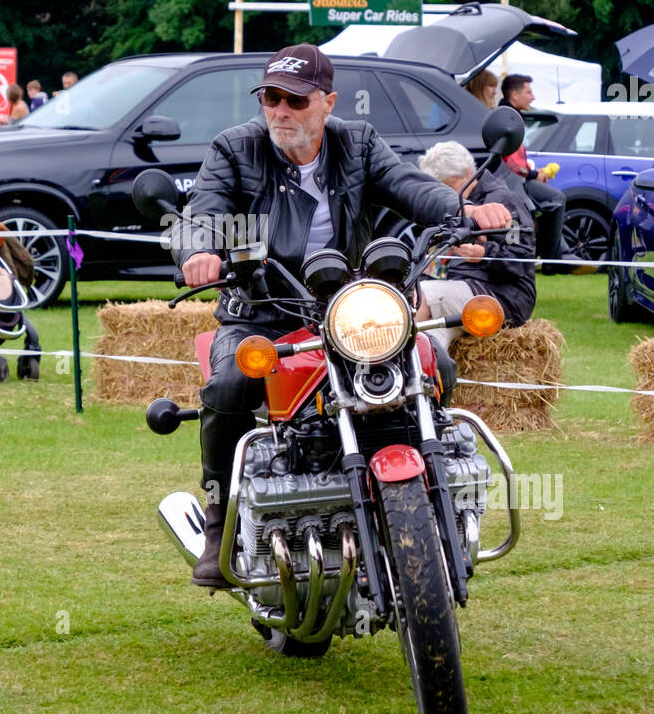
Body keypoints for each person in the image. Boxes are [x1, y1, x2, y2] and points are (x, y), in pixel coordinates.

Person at [173, 43, 512, 589]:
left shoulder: (357, 143)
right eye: (271, 98)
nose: (281, 110)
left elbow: (410, 187)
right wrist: (198, 251)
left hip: (345, 306)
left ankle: (427, 494)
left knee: (436, 365)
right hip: (262, 307)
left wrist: (463, 212)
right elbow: (204, 210)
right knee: (232, 382)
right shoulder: (235, 149)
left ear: (327, 103)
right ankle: (219, 525)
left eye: (295, 100)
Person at [415, 141, 536, 348]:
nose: (445, 194)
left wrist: (483, 253)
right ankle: (422, 379)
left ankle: (382, 356)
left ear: (468, 174)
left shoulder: (505, 202)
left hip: (503, 296)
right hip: (456, 289)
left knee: (421, 297)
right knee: (428, 338)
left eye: (448, 186)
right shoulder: (451, 205)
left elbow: (521, 260)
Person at [498, 73, 587, 272]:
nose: (533, 97)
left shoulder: (510, 116)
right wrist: (531, 175)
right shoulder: (507, 118)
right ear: (514, 95)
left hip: (517, 180)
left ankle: (558, 255)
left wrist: (533, 172)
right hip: (513, 183)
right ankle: (553, 260)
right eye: (529, 92)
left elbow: (514, 159)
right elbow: (509, 161)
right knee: (556, 199)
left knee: (552, 202)